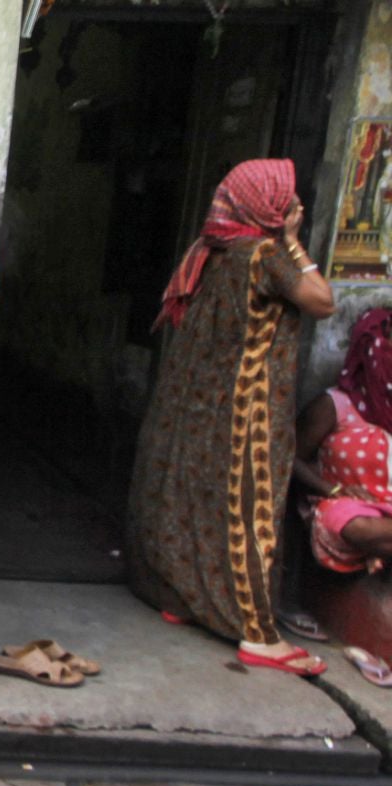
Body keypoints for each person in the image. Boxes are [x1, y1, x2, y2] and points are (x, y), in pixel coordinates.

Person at [128, 158, 336, 676]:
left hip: (199, 407)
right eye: (286, 198)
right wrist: (292, 240)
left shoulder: (214, 249)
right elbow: (323, 301)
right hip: (246, 408)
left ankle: (185, 598)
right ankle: (259, 637)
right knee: (250, 511)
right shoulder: (265, 254)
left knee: (194, 497)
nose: (296, 205)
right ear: (267, 206)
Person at [296, 307, 392, 574]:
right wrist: (331, 490)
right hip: (351, 507)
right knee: (357, 526)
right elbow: (288, 457)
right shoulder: (334, 405)